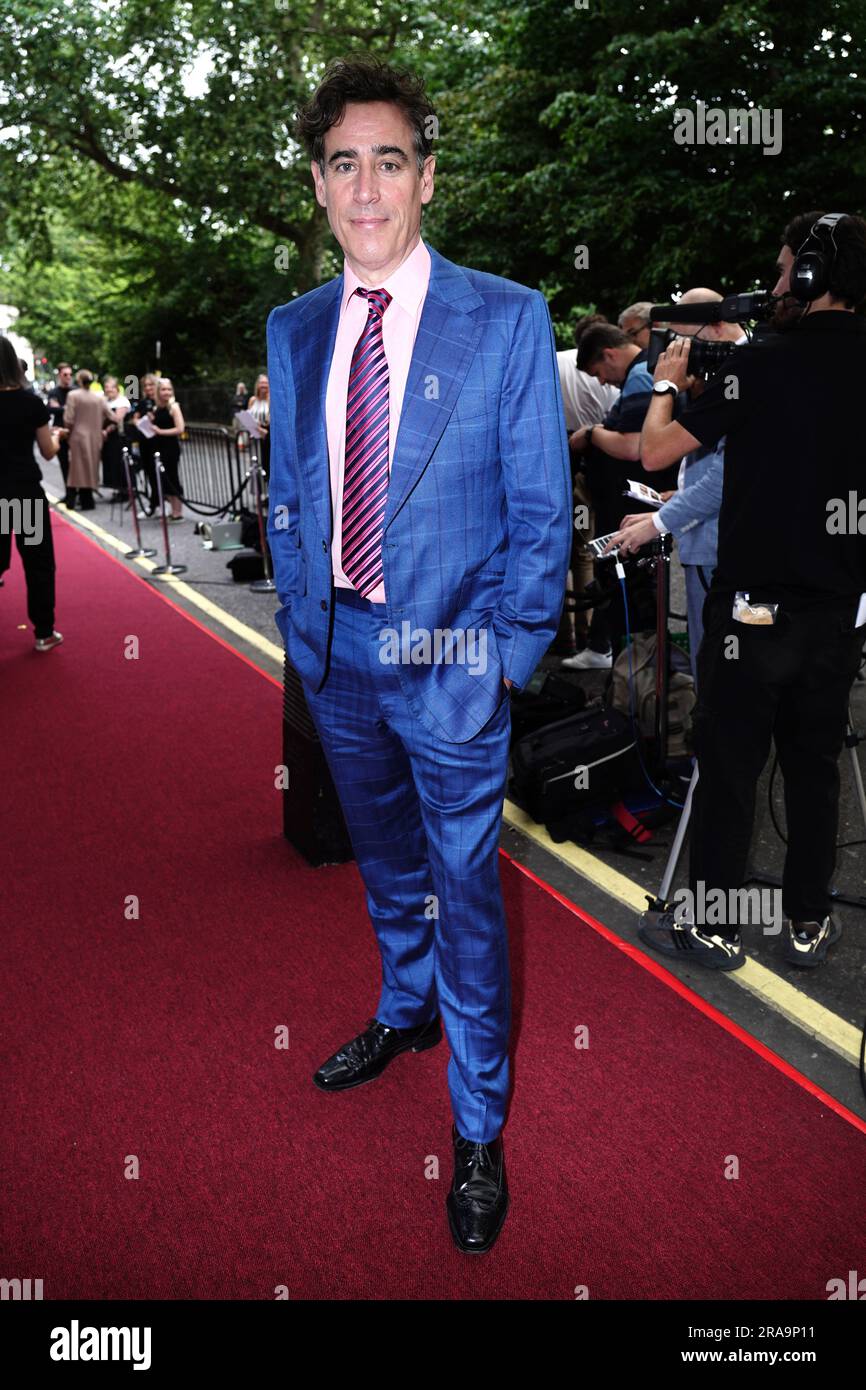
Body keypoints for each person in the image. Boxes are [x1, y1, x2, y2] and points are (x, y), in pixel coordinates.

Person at [267, 55, 570, 1255]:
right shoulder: (292, 328)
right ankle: (404, 1009)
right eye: (343, 161)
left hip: (453, 663)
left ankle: (480, 1125)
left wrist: (505, 657)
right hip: (335, 655)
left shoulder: (504, 315)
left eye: (388, 159)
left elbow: (543, 511)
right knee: (384, 864)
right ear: (318, 182)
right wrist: (300, 618)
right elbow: (294, 485)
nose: (366, 185)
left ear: (425, 177)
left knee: (467, 894)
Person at [636, 210, 866, 972]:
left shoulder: (760, 361)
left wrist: (667, 386)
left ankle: (714, 926)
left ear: (810, 274)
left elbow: (657, 449)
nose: (772, 285)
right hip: (836, 615)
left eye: (782, 269)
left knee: (732, 767)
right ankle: (806, 922)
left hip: (748, 611)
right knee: (813, 767)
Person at [605, 288, 746, 686]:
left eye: (687, 342)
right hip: (714, 537)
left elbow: (652, 454)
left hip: (721, 548)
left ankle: (713, 746)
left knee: (715, 670)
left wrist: (664, 388)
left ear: (716, 325)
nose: (683, 354)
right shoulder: (731, 370)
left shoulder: (744, 372)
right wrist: (677, 498)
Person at [0, 335, 64, 650]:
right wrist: (58, 437)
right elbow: (48, 451)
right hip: (24, 493)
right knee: (37, 563)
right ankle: (43, 631)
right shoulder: (30, 402)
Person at [63, 369, 112, 510]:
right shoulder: (99, 398)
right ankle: (87, 499)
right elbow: (111, 415)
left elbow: (68, 419)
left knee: (75, 469)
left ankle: (72, 499)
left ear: (79, 380)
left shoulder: (73, 395)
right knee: (90, 468)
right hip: (95, 437)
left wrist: (68, 431)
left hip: (77, 436)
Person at [150, 377, 185, 520]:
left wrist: (160, 431)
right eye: (163, 389)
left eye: (169, 389)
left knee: (172, 478)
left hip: (171, 447)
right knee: (164, 479)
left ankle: (178, 511)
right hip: (159, 447)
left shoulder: (174, 407)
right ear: (158, 391)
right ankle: (173, 509)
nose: (166, 392)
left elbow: (180, 428)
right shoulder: (156, 408)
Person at [127, 374, 159, 514]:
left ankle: (166, 502)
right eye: (145, 386)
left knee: (162, 474)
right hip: (145, 442)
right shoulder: (142, 403)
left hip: (159, 443)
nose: (148, 388)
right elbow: (135, 418)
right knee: (150, 474)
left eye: (151, 385)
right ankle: (154, 503)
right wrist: (137, 421)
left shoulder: (162, 401)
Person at [47, 362, 73, 502]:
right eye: (65, 374)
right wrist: (66, 408)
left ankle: (78, 493)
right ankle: (69, 493)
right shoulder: (53, 392)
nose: (68, 377)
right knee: (64, 464)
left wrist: (61, 407)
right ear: (59, 375)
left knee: (76, 464)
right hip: (59, 433)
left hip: (74, 432)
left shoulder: (74, 391)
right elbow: (50, 409)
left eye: (70, 374)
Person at [101, 376, 131, 498]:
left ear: (117, 388)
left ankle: (124, 490)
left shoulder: (122, 401)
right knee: (111, 463)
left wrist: (106, 430)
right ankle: (117, 489)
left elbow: (118, 419)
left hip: (118, 438)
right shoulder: (105, 401)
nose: (109, 390)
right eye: (107, 387)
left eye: (112, 387)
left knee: (119, 464)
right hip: (107, 438)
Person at [245, 373, 270, 474]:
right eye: (261, 383)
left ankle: (266, 483)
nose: (263, 385)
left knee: (266, 462)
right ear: (258, 385)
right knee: (255, 462)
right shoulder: (252, 400)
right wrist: (257, 427)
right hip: (254, 433)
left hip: (267, 435)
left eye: (266, 383)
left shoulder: (271, 399)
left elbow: (271, 419)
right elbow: (247, 417)